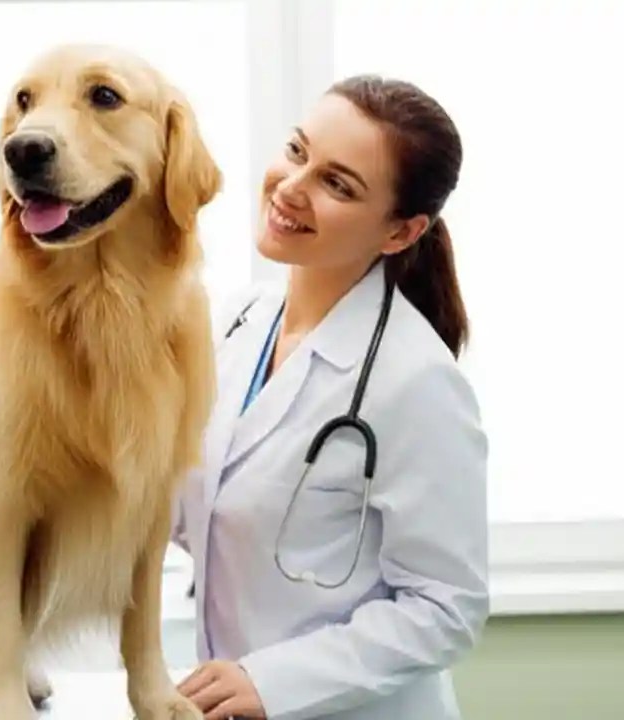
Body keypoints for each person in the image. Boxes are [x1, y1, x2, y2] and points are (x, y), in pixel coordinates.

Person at [170, 75, 489, 720]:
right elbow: (200, 512)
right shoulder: (239, 322)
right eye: (297, 151)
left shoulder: (416, 380)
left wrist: (272, 682)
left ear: (399, 233)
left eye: (337, 184)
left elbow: (446, 606)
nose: (292, 187)